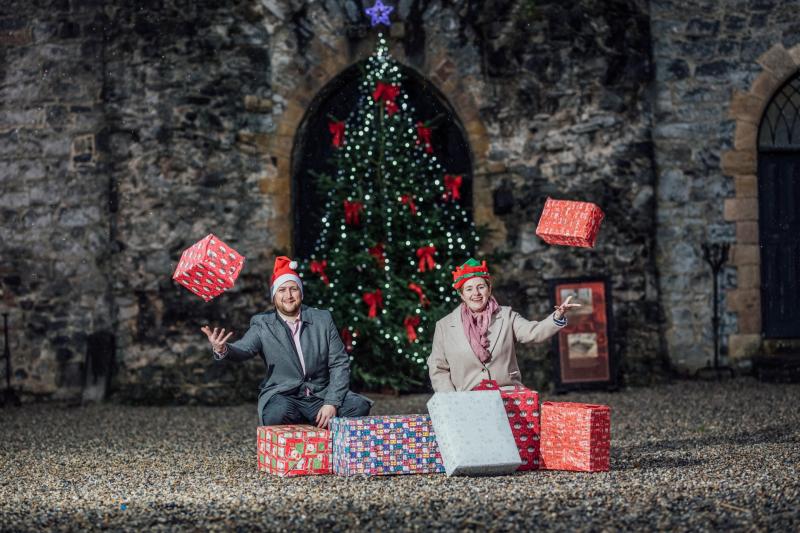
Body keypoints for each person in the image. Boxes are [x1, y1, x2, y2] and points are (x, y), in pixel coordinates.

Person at [201, 256, 372, 427]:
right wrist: (223, 349)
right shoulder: (263, 324)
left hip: (320, 394)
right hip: (285, 396)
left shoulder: (322, 319)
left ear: (301, 293)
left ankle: (320, 431)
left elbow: (339, 363)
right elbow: (244, 349)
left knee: (358, 406)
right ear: (274, 297)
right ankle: (312, 428)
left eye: (293, 289)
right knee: (275, 414)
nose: (288, 296)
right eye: (282, 290)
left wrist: (331, 403)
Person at [428, 258, 581, 392]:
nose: (476, 293)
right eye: (469, 289)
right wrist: (451, 400)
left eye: (481, 287)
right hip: (466, 400)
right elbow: (438, 368)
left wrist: (557, 316)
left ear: (489, 289)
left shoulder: (507, 316)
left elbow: (533, 332)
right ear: (462, 295)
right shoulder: (445, 326)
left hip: (507, 397)